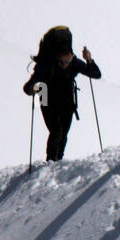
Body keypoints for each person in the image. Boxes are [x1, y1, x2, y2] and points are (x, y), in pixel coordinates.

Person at [22, 25, 101, 162]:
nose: (65, 64)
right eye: (62, 61)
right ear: (56, 58)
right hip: (47, 99)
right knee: (57, 132)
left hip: (66, 102)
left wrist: (89, 60)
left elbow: (96, 74)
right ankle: (52, 160)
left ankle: (57, 160)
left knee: (63, 133)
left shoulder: (74, 63)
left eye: (68, 61)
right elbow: (27, 87)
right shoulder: (47, 65)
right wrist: (33, 88)